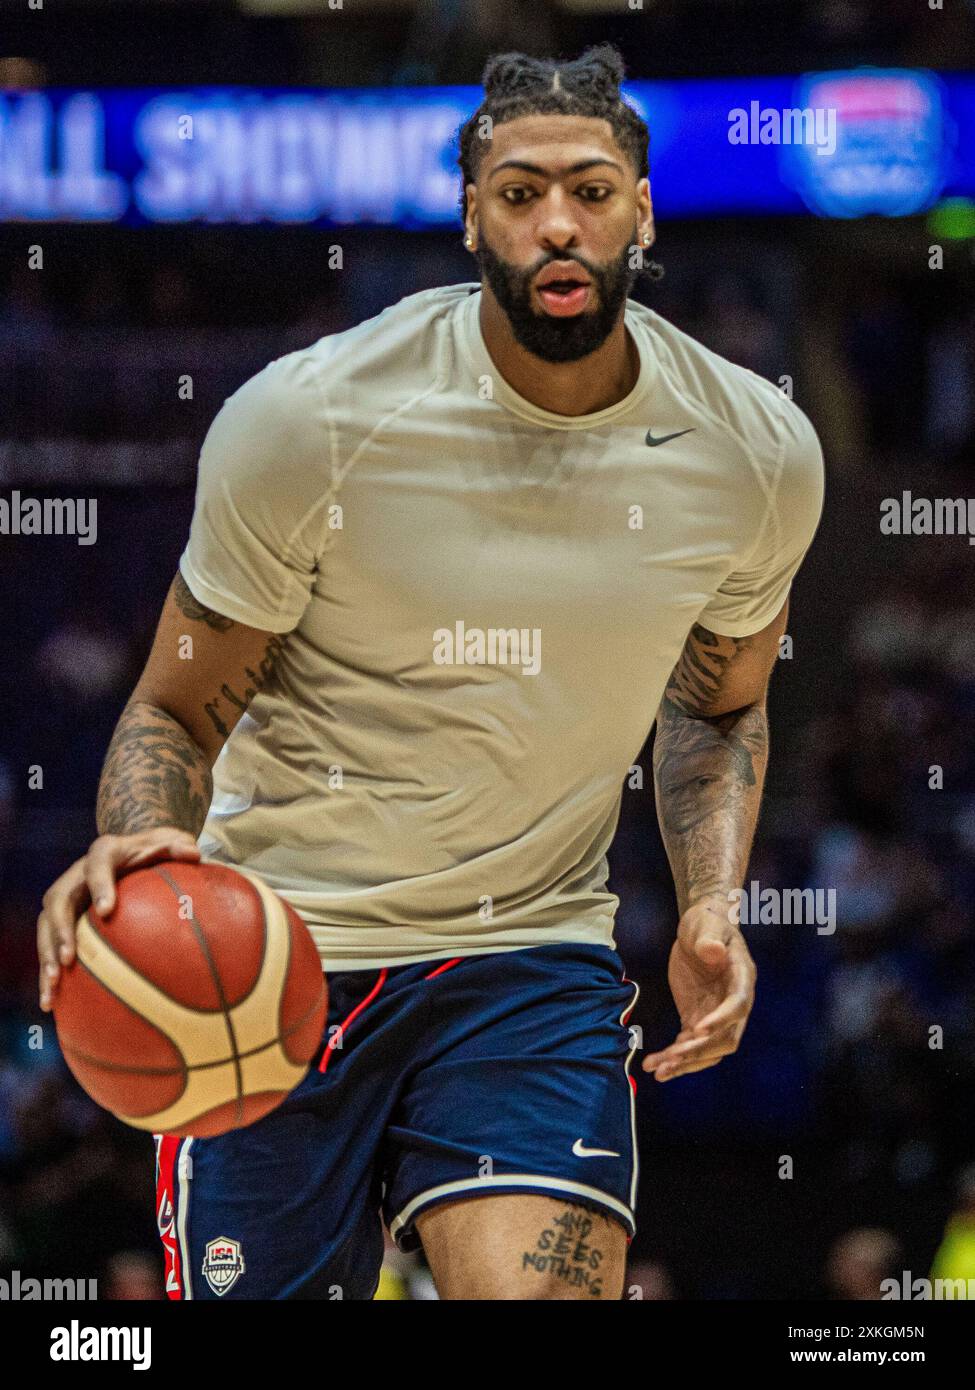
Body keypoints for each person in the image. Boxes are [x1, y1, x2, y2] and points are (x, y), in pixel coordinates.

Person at [36, 44, 824, 1300]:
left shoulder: (755, 454)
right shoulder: (310, 423)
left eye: (592, 188)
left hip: (531, 962)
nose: (557, 222)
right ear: (470, 217)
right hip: (271, 963)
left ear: (644, 209)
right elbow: (175, 710)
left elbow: (720, 710)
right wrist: (143, 839)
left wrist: (713, 896)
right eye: (519, 194)